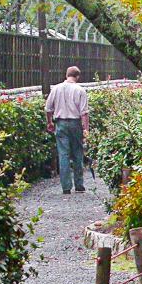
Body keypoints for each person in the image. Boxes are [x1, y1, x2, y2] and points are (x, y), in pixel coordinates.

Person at [45, 66, 90, 195]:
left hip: (61, 123)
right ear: (77, 77)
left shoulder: (56, 89)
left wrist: (49, 123)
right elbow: (84, 113)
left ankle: (66, 187)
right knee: (77, 153)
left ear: (66, 75)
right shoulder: (80, 90)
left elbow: (48, 109)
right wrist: (86, 129)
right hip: (75, 123)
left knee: (63, 154)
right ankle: (79, 185)